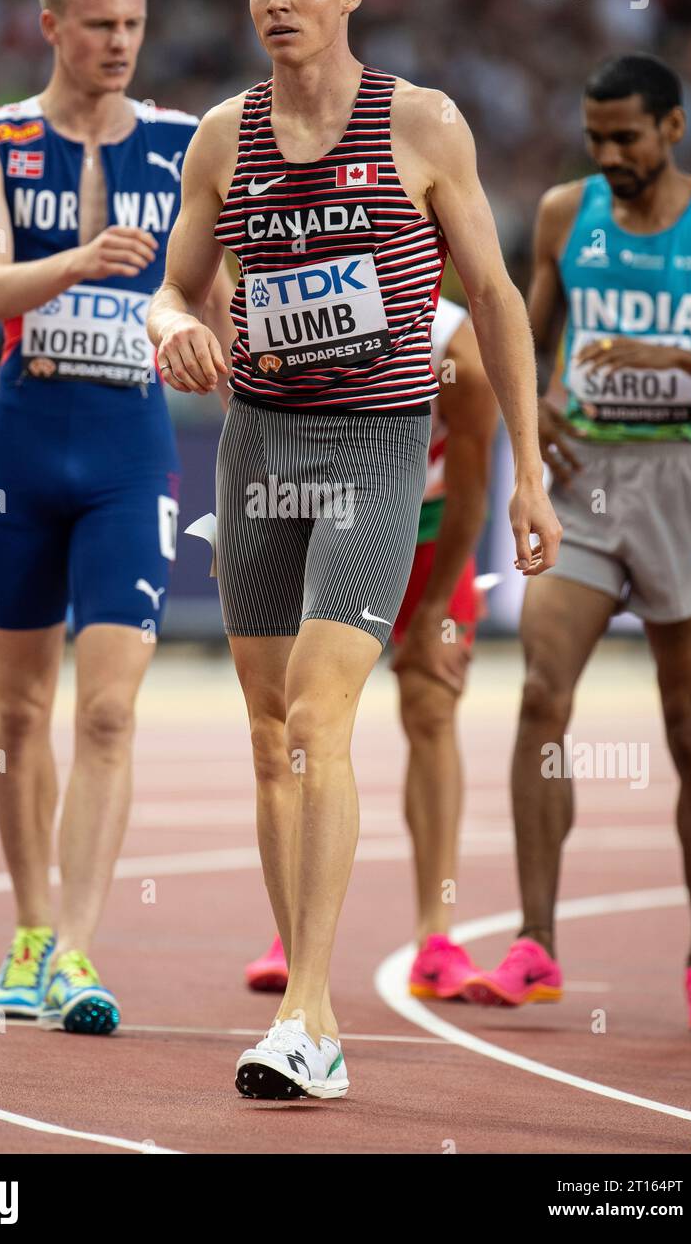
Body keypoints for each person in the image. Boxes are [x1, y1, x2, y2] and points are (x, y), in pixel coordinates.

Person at [147, 0, 559, 1098]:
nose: (275, 1)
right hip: (258, 449)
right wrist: (172, 327)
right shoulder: (221, 137)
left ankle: (313, 1020)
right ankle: (306, 1000)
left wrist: (527, 476)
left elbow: (493, 304)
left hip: (377, 447)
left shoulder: (423, 125)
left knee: (322, 719)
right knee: (272, 731)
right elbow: (173, 289)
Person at [0, 0, 229, 1034]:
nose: (118, 42)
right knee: (19, 708)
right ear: (51, 25)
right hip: (25, 438)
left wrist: (235, 346)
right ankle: (28, 929)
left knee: (108, 711)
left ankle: (75, 948)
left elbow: (214, 299)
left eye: (133, 24)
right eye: (98, 24)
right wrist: (76, 260)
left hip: (128, 448)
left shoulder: (180, 142)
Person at [463, 54, 691, 1032]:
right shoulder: (558, 215)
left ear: (670, 128)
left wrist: (684, 358)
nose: (608, 154)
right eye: (594, 138)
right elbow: (519, 340)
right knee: (539, 693)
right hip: (582, 491)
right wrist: (533, 400)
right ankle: (535, 941)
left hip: (683, 481)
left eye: (625, 136)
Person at [243, 296, 500, 1000]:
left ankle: (436, 937)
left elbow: (474, 489)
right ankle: (289, 929)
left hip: (426, 531)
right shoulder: (310, 311)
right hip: (325, 523)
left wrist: (435, 612)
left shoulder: (463, 362)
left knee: (431, 706)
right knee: (302, 717)